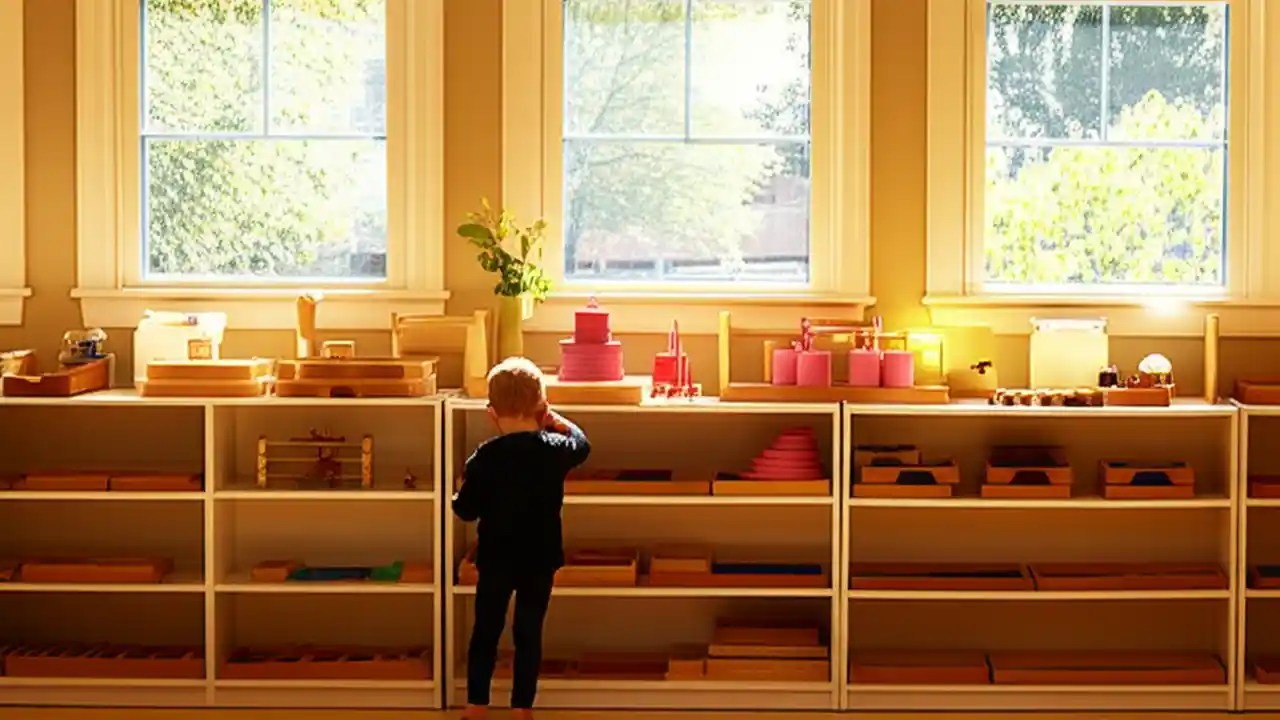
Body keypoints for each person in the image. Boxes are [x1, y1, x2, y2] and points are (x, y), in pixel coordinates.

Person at [453, 357, 591, 720]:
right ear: (541, 408)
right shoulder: (554, 450)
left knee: (486, 631)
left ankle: (476, 706)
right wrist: (557, 421)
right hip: (539, 560)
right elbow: (582, 444)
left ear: (491, 413)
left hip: (496, 559)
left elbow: (465, 510)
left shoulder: (484, 458)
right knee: (528, 633)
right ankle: (521, 710)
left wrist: (457, 494)